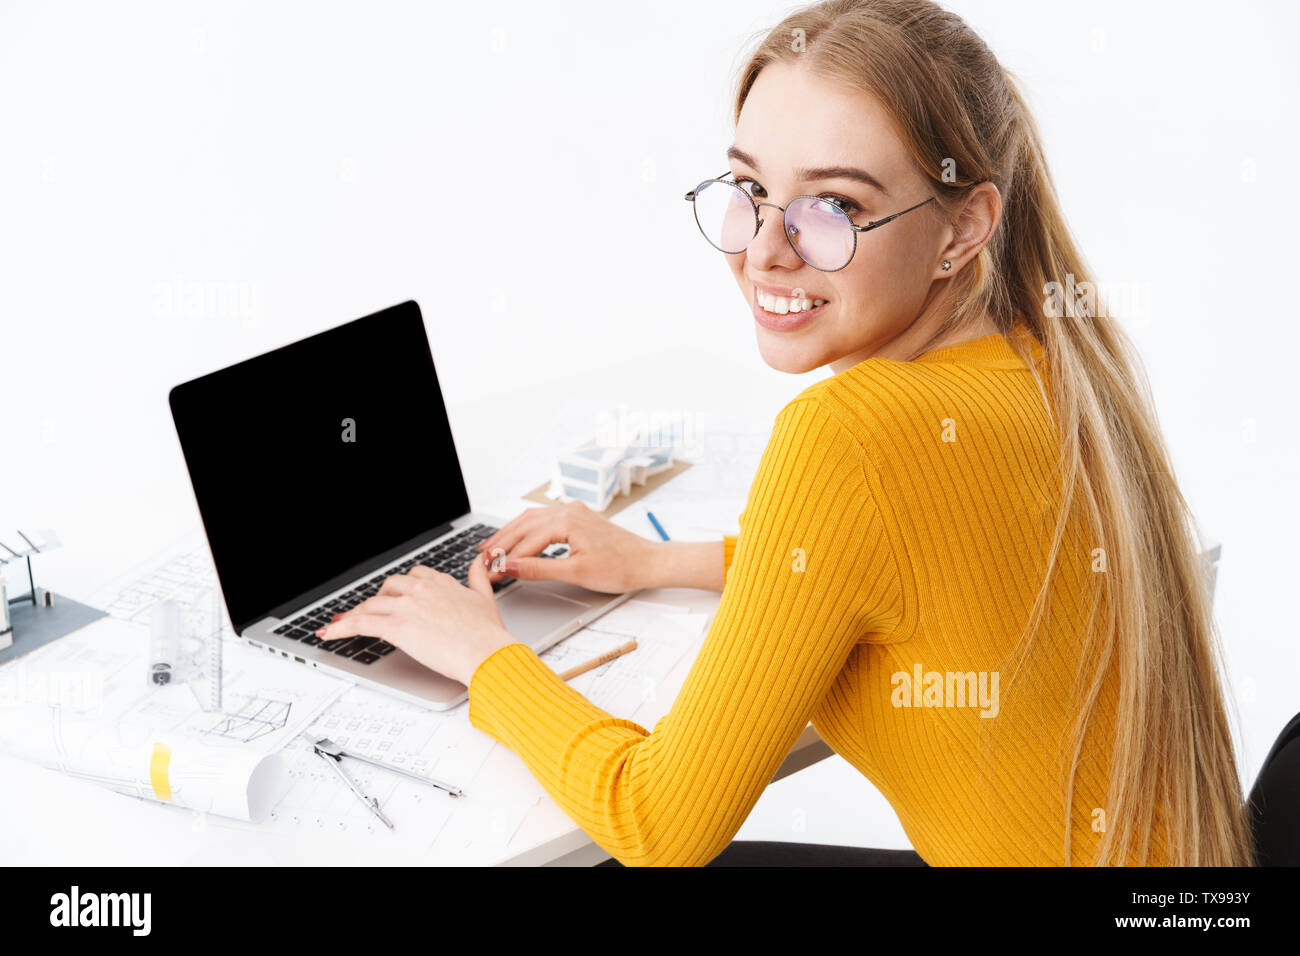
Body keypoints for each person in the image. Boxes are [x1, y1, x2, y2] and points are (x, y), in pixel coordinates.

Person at [319, 0, 1255, 866]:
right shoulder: (1049, 357)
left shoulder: (850, 433)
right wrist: (656, 563)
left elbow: (660, 823)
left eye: (835, 206)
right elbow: (909, 566)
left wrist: (487, 659)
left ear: (963, 229)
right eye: (749, 189)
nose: (765, 249)